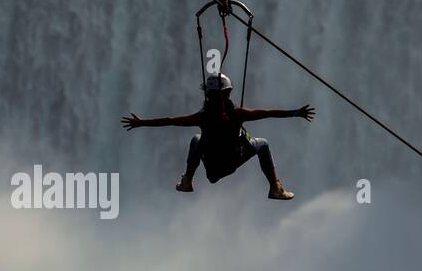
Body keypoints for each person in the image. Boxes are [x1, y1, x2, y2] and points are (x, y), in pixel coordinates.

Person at [122, 72, 315, 199]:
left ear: (207, 94)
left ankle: (187, 180)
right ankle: (275, 188)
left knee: (196, 139)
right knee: (262, 144)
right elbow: (267, 113)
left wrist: (141, 123)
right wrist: (296, 112)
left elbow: (170, 120)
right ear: (229, 92)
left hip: (212, 168)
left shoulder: (202, 117)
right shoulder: (238, 114)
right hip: (231, 161)